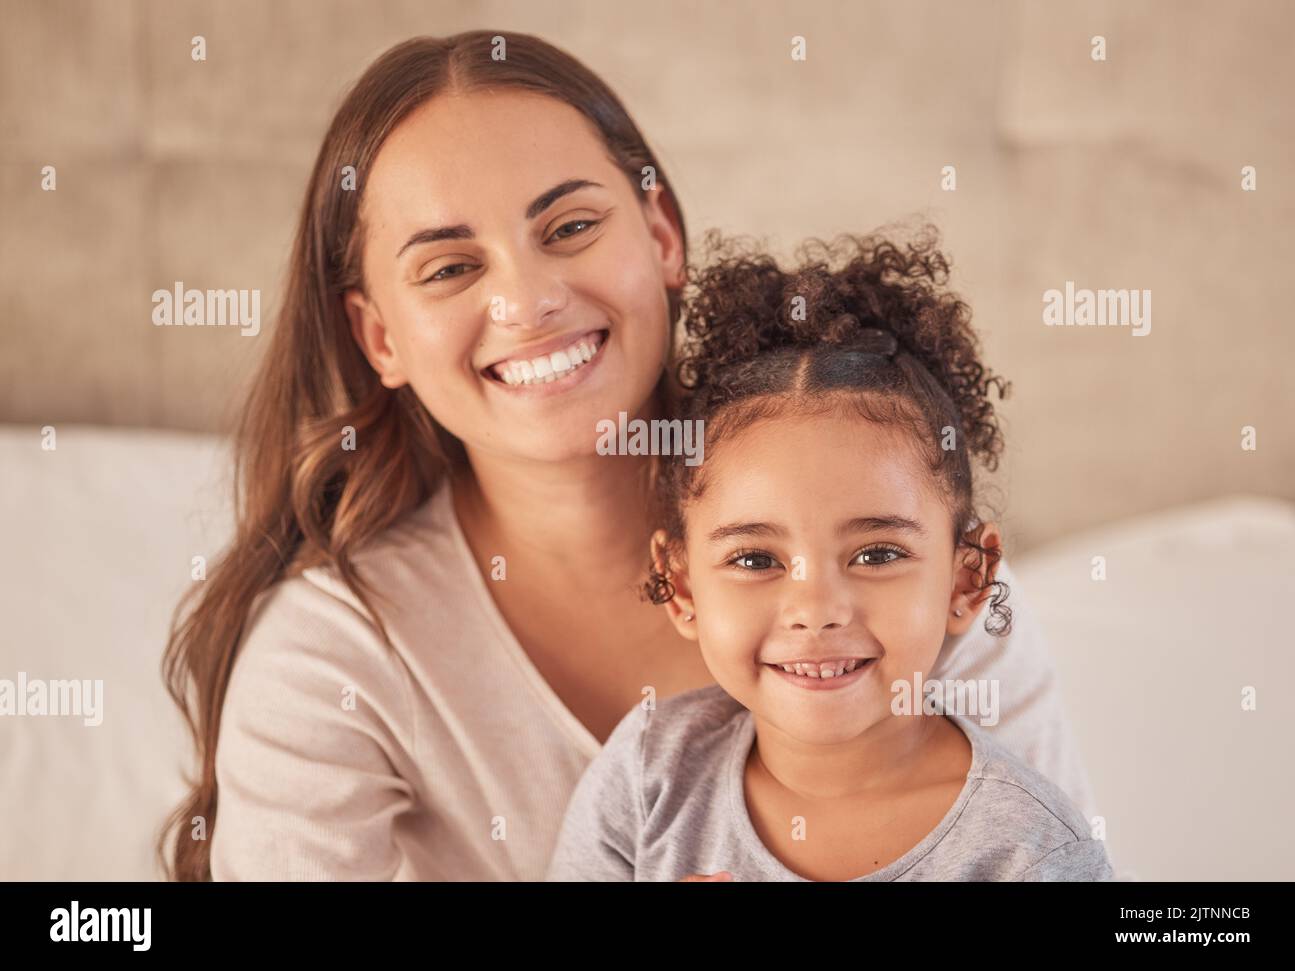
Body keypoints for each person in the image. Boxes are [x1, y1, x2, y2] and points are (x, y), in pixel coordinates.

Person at [159, 30, 1099, 881]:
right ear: (380, 338)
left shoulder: (921, 576)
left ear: (660, 237)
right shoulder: (336, 660)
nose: (527, 301)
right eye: (450, 266)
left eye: (569, 227)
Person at [545, 229, 1113, 881]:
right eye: (756, 560)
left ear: (968, 577)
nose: (814, 609)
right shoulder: (648, 778)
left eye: (875, 554)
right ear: (681, 585)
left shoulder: (1030, 853)